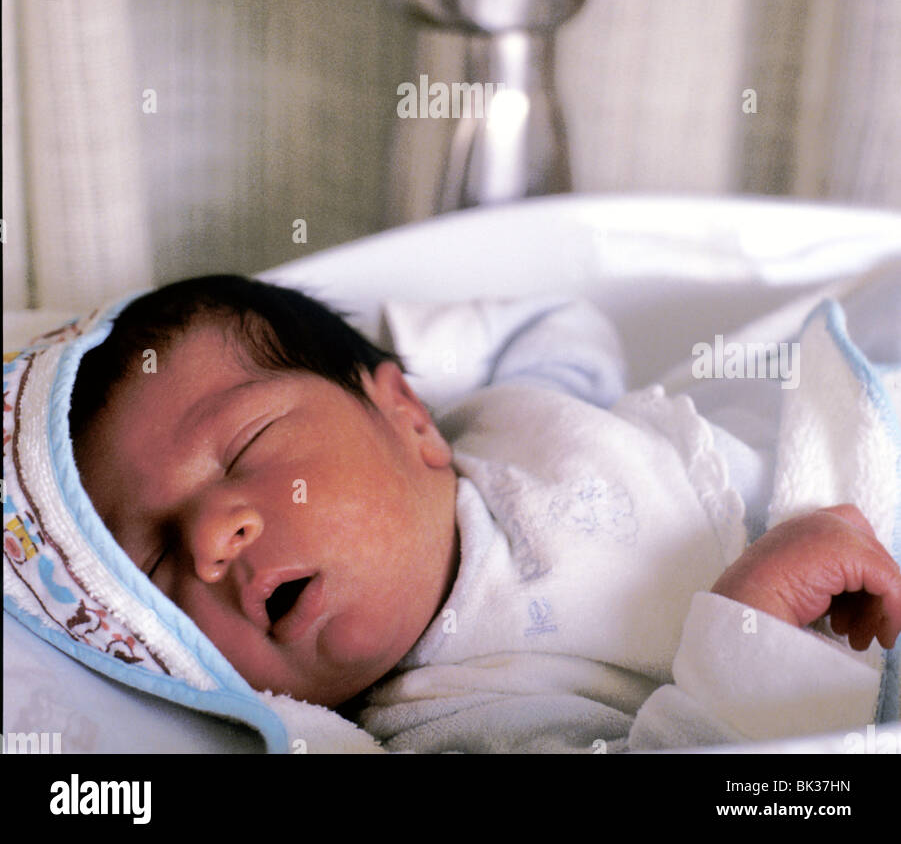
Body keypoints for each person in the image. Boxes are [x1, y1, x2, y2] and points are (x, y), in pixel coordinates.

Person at [5, 273, 900, 752]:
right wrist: (751, 639)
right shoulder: (455, 719)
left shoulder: (506, 414)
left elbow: (557, 327)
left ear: (403, 412)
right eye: (155, 566)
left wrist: (414, 335)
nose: (209, 537)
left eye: (245, 449)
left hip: (824, 455)